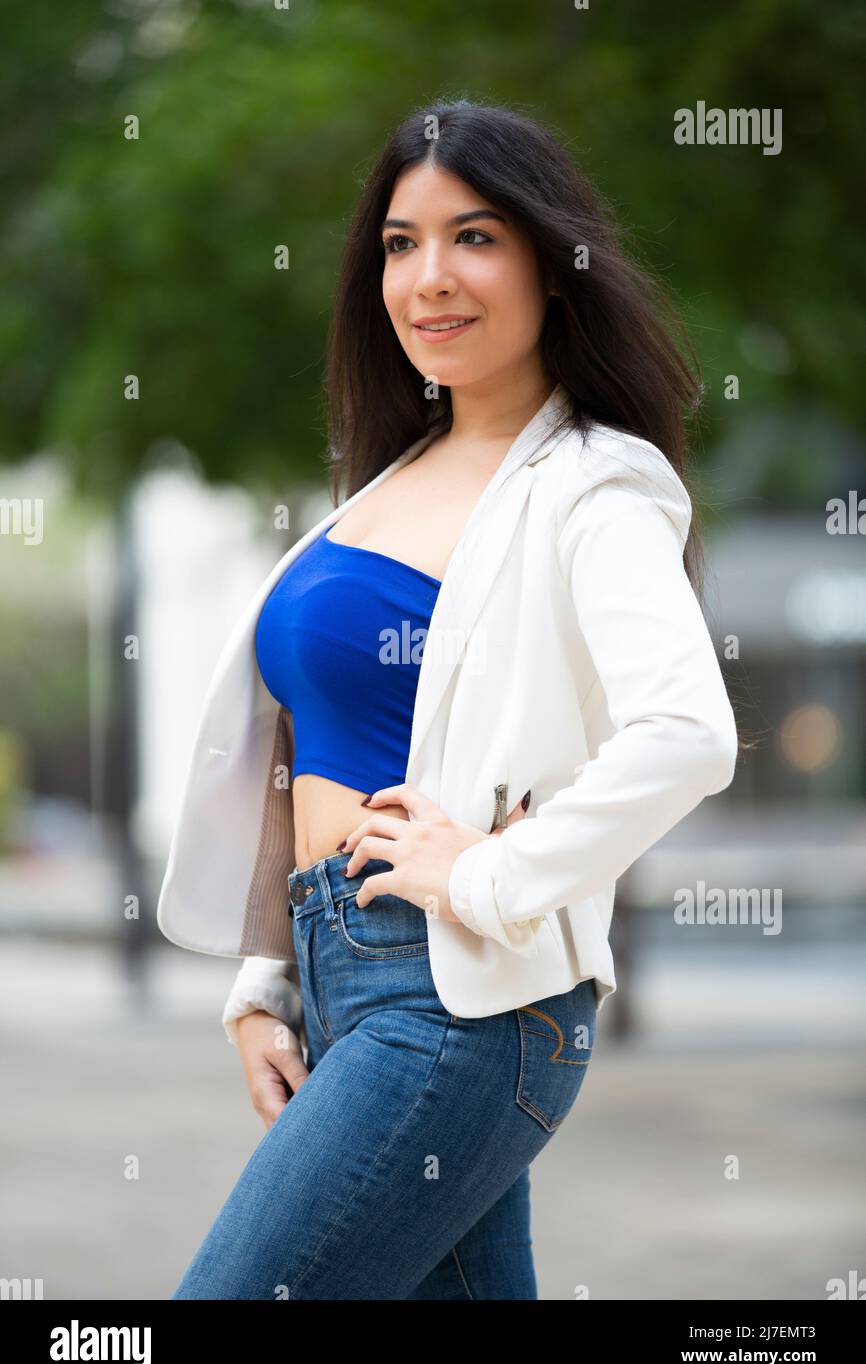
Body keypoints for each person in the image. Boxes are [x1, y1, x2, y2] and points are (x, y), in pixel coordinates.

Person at [162, 98, 739, 1300]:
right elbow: (303, 738)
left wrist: (483, 874)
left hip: (458, 998)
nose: (429, 276)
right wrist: (265, 979)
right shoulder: (385, 480)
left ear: (550, 260)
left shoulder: (592, 485)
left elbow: (687, 733)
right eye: (398, 242)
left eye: (473, 237)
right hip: (343, 975)